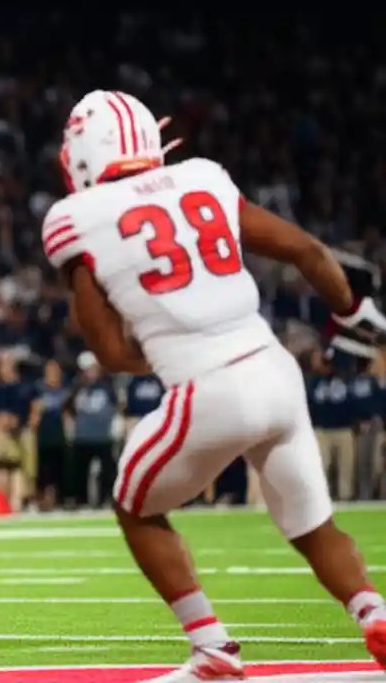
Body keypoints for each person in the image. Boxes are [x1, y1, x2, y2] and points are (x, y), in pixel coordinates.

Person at [44, 90, 386, 678]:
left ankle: (211, 646)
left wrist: (164, 349)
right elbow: (306, 250)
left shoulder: (74, 219)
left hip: (208, 386)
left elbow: (107, 350)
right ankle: (372, 611)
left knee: (134, 506)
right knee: (311, 524)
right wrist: (356, 311)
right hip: (275, 369)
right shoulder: (203, 177)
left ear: (80, 154)